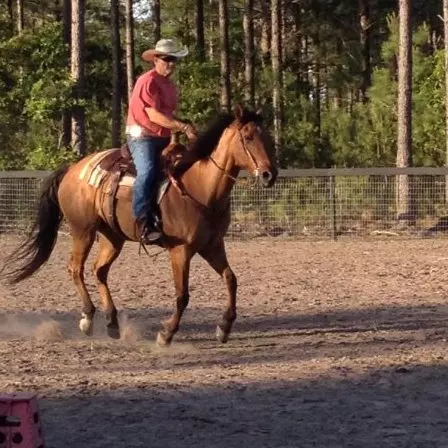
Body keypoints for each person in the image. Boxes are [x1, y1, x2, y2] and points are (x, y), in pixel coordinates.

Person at [126, 38, 196, 244]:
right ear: (156, 59)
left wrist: (175, 137)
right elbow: (154, 115)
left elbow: (169, 114)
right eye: (167, 59)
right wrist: (183, 127)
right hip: (143, 138)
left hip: (163, 137)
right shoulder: (147, 81)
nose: (171, 63)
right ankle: (141, 221)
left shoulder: (170, 86)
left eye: (174, 59)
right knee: (147, 171)